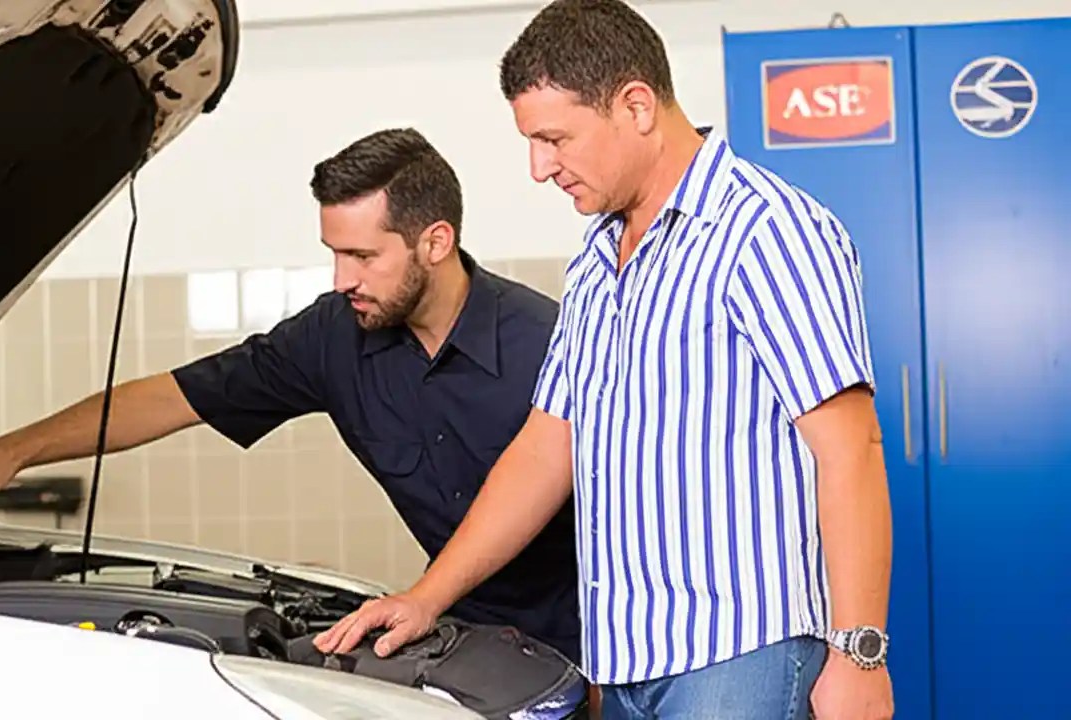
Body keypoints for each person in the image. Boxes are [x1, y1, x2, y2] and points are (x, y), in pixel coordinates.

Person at [312, 2, 896, 720]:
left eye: (554, 138)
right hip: (623, 661)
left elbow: (851, 450)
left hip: (741, 652)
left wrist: (859, 654)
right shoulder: (595, 261)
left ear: (637, 105)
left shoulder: (767, 232)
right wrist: (426, 597)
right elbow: (546, 446)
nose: (539, 168)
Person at [0, 127, 584, 663]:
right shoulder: (333, 338)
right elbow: (172, 398)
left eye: (364, 256)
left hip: (601, 647)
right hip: (467, 644)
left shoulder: (548, 342)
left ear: (436, 242)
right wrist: (12, 451)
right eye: (333, 252)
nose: (342, 279)